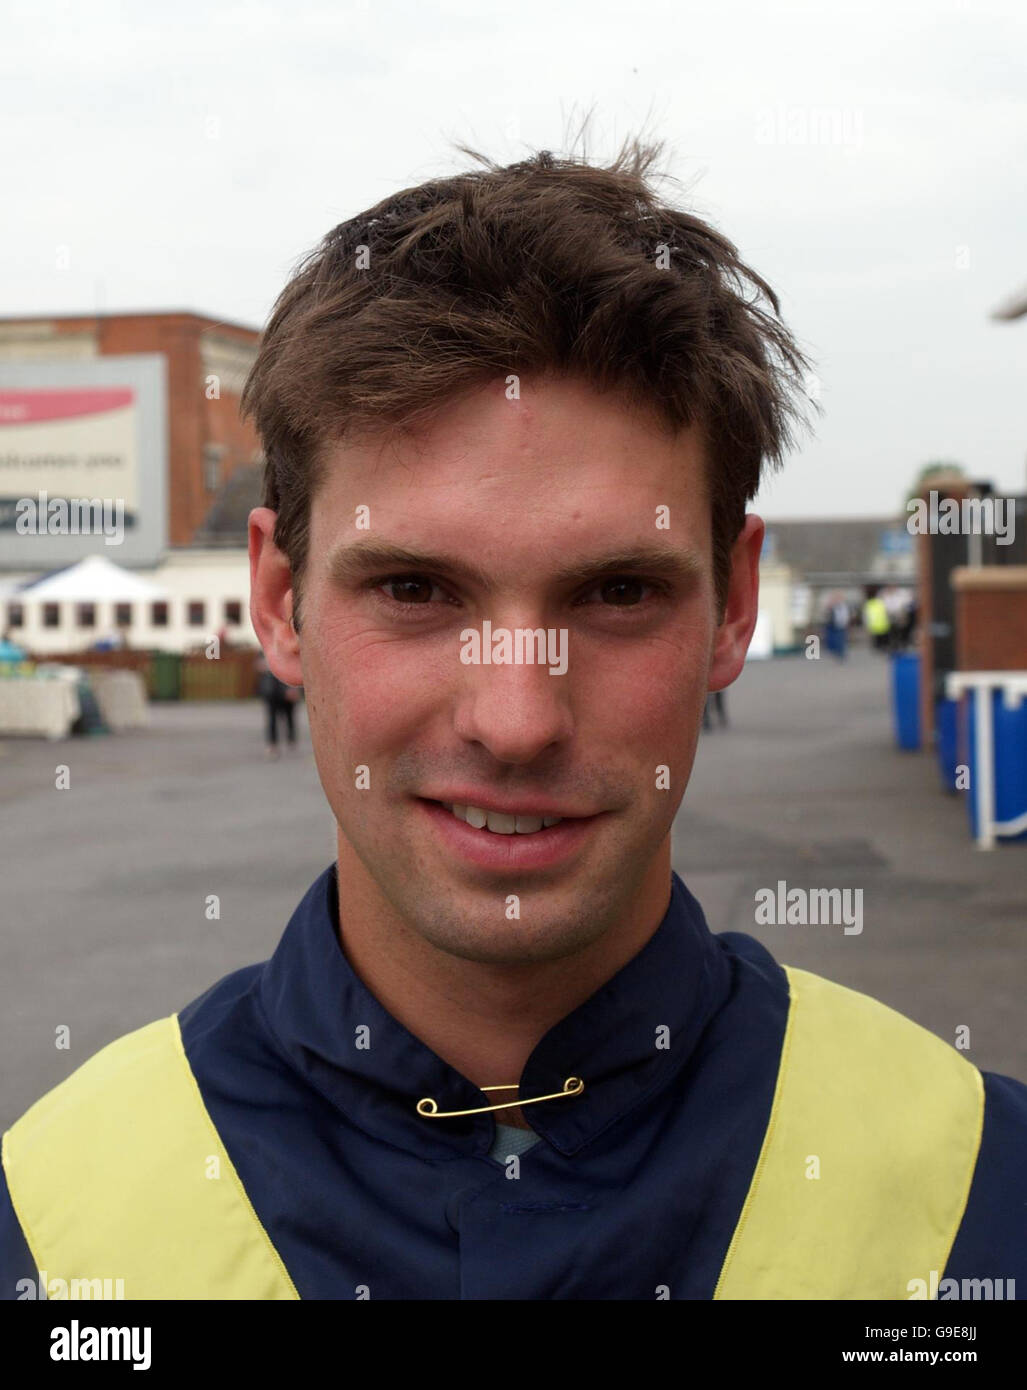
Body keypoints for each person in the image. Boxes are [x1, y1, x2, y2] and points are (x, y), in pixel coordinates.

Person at [3, 140, 1024, 1302]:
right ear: (279, 603)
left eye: (617, 592)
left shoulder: (983, 1195)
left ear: (734, 606)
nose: (518, 717)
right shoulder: (47, 1228)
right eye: (414, 590)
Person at [255, 650, 299, 758]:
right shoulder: (263, 651)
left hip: (285, 689)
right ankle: (273, 743)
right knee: (272, 719)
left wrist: (292, 689)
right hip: (272, 692)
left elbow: (294, 669)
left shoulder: (286, 650)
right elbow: (259, 666)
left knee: (289, 717)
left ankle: (290, 739)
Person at [862, 586, 891, 651]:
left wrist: (867, 626)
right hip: (883, 626)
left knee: (878, 644)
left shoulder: (869, 604)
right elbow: (887, 612)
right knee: (882, 644)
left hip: (876, 626)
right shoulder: (881, 602)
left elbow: (866, 616)